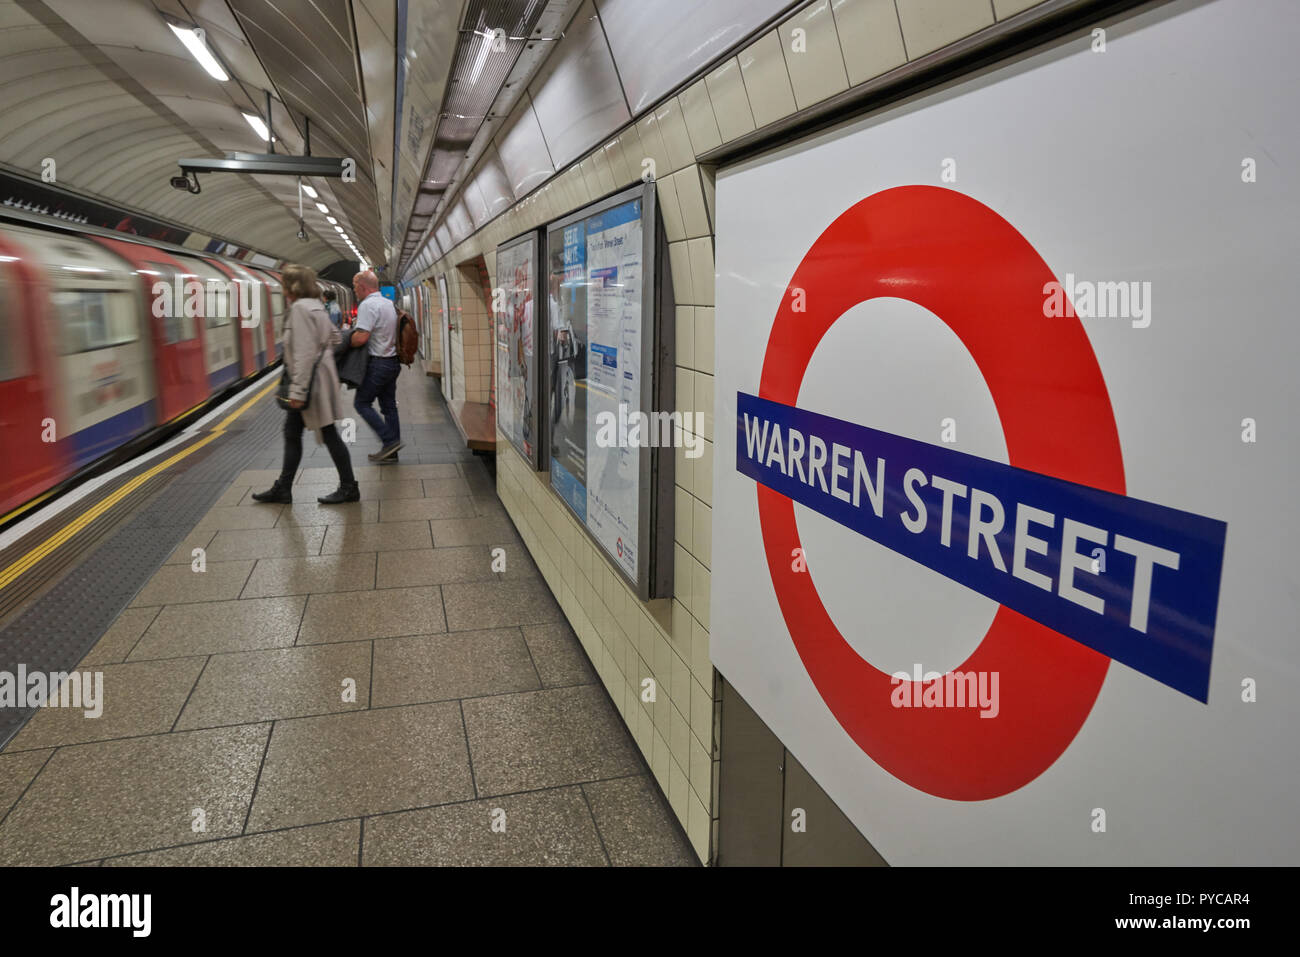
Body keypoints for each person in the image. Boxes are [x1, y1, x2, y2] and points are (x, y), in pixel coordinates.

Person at [253, 266, 359, 504]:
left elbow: (302, 354)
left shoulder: (300, 309)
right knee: (294, 432)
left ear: (292, 285)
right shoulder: (316, 306)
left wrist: (298, 392)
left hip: (310, 384)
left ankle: (349, 486)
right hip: (321, 378)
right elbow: (334, 337)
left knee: (327, 434)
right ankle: (284, 487)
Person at [350, 269, 403, 461]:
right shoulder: (388, 303)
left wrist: (348, 339)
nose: (354, 290)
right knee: (389, 406)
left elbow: (361, 338)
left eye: (355, 287)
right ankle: (392, 451)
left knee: (361, 403)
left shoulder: (367, 305)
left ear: (363, 286)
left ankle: (390, 441)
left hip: (378, 364)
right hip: (392, 362)